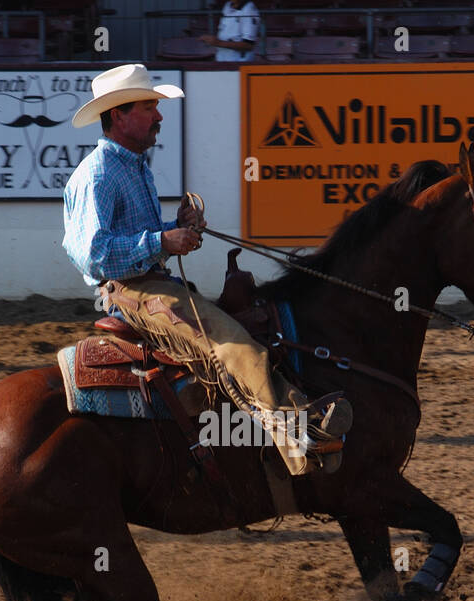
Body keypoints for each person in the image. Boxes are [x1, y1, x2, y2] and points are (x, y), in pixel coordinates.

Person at [61, 64, 352, 476]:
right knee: (231, 342)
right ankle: (300, 433)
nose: (159, 116)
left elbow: (129, 237)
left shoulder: (130, 166)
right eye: (149, 107)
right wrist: (162, 242)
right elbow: (93, 254)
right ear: (119, 116)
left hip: (151, 284)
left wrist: (175, 229)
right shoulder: (98, 174)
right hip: (132, 292)